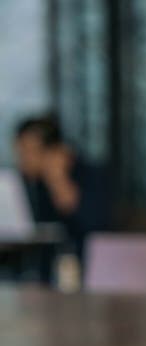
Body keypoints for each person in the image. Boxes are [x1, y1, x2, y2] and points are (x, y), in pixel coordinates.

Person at [14, 115, 109, 276]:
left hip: (87, 271)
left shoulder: (88, 175)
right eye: (20, 153)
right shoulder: (27, 183)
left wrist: (57, 178)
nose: (23, 161)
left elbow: (93, 225)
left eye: (28, 152)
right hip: (36, 276)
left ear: (56, 151)